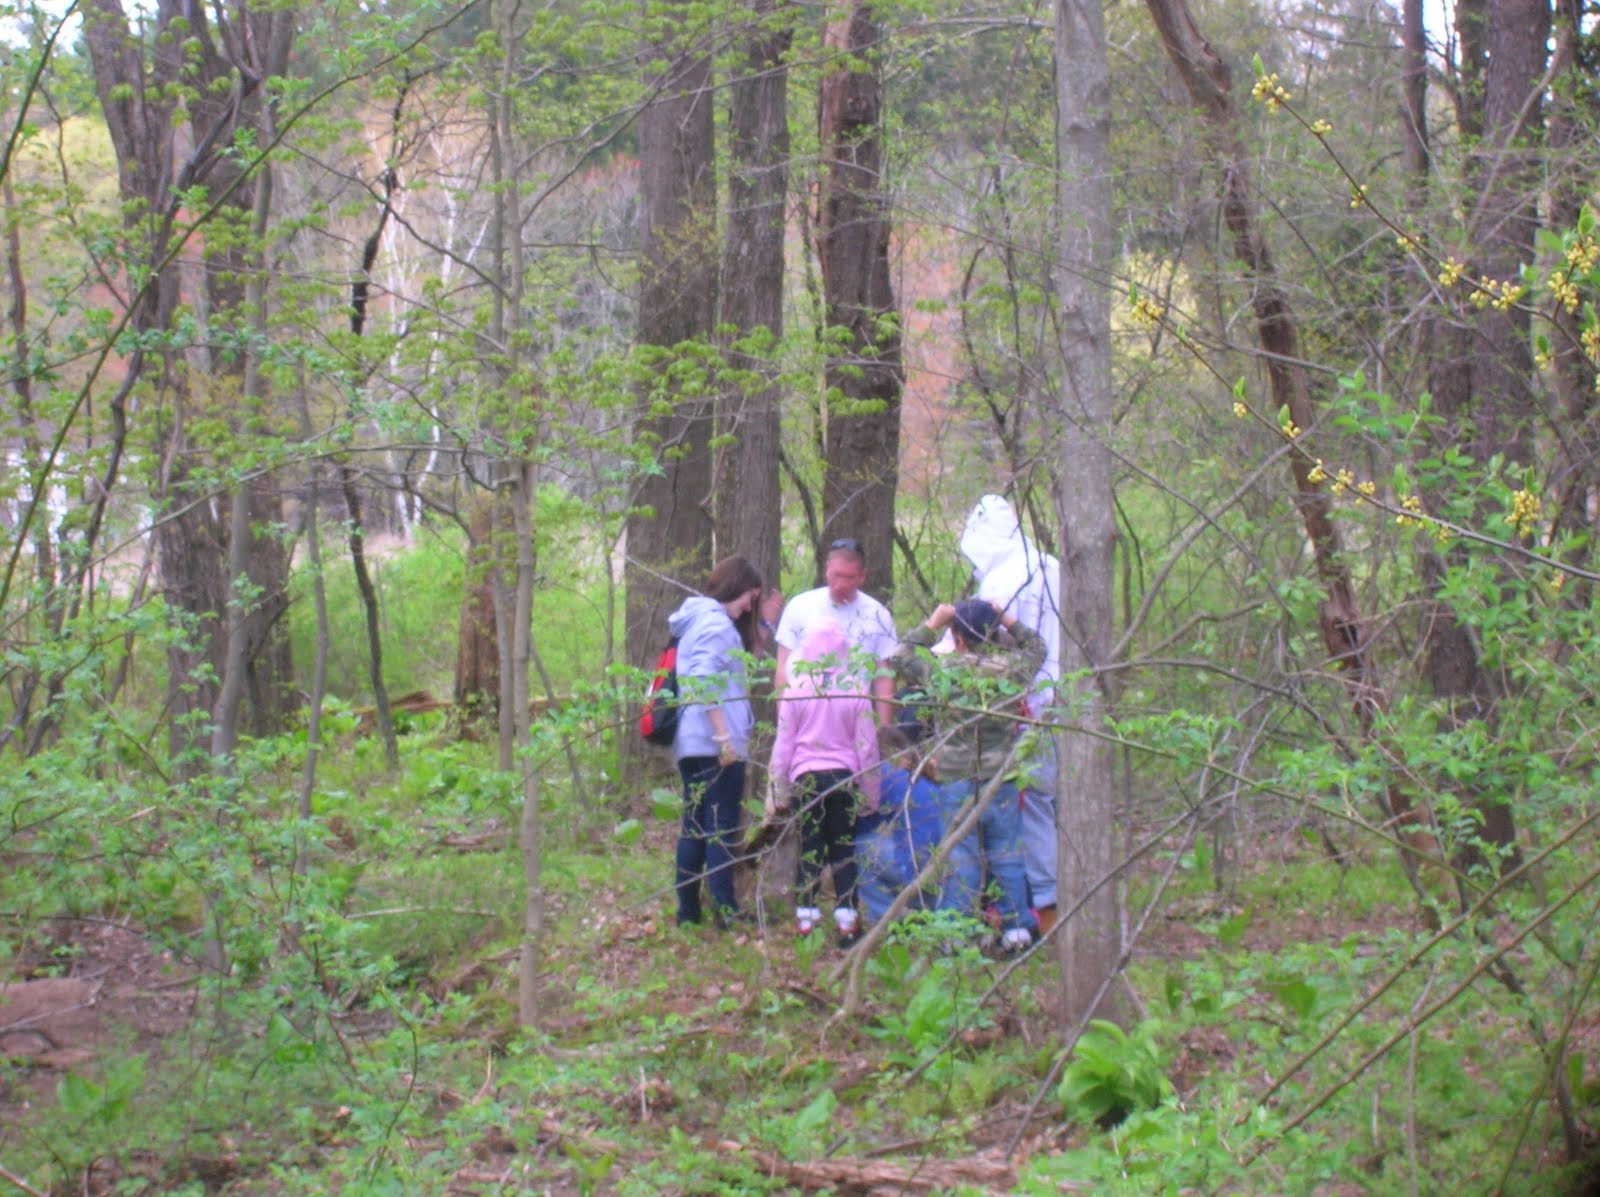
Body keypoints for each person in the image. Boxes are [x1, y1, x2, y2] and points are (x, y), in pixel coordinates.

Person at [890, 598, 1046, 952]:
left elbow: (899, 657)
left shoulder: (944, 671)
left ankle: (954, 932)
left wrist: (932, 622)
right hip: (1001, 778)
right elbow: (1038, 647)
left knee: (961, 857)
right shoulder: (1011, 671)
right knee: (1006, 853)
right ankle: (1017, 929)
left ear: (957, 636)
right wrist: (1007, 618)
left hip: (956, 777)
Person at [959, 495, 1063, 935]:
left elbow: (992, 644)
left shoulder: (1003, 581)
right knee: (1053, 803)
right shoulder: (1052, 566)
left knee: (1027, 806)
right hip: (1069, 698)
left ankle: (1042, 904)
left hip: (1027, 708)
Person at [667, 555, 767, 928]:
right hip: (714, 745)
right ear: (737, 587)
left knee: (694, 826)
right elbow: (703, 680)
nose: (749, 607)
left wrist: (765, 625)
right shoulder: (717, 625)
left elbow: (739, 667)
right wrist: (725, 740)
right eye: (750, 598)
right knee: (719, 827)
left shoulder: (695, 621)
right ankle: (726, 911)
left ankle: (688, 913)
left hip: (691, 741)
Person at [768, 621, 880, 944]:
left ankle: (807, 920)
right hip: (843, 779)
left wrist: (779, 791)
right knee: (843, 848)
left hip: (805, 779)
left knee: (810, 846)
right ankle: (848, 922)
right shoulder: (856, 690)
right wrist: (871, 793)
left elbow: (783, 745)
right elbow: (867, 747)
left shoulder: (796, 690)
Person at [773, 538, 898, 724]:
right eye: (837, 575)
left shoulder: (878, 615)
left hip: (855, 722)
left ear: (862, 576)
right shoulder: (800, 606)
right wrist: (785, 723)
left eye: (849, 577)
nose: (841, 585)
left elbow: (883, 677)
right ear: (827, 569)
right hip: (805, 719)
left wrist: (885, 728)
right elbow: (783, 669)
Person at [855, 724, 944, 927]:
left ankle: (885, 917)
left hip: (917, 871)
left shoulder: (886, 775)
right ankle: (926, 909)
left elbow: (864, 826)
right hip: (944, 874)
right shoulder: (923, 778)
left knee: (859, 849)